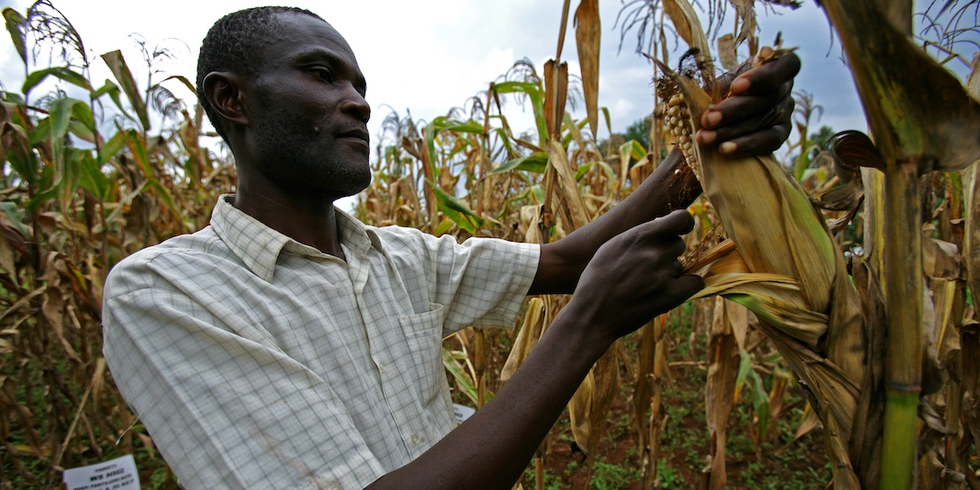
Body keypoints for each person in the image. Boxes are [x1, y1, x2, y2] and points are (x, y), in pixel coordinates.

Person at [102, 6, 799, 490]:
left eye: (360, 85)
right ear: (233, 101)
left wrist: (709, 147)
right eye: (322, 75)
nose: (359, 102)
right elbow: (584, 290)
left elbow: (568, 260)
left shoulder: (398, 257)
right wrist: (586, 326)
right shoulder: (167, 292)